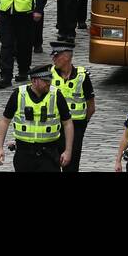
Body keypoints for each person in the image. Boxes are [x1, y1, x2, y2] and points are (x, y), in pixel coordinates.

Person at [0, 64, 73, 172]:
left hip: (49, 154)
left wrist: (68, 151)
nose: (49, 83)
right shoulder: (18, 95)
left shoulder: (56, 95)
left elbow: (67, 123)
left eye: (50, 80)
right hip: (24, 154)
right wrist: (0, 148)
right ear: (34, 81)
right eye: (45, 80)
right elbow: (5, 121)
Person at [48, 40, 95, 172]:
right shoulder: (48, 75)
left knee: (72, 165)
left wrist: (81, 126)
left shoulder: (82, 76)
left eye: (56, 55)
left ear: (67, 57)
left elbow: (91, 106)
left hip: (76, 127)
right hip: (54, 126)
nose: (53, 58)